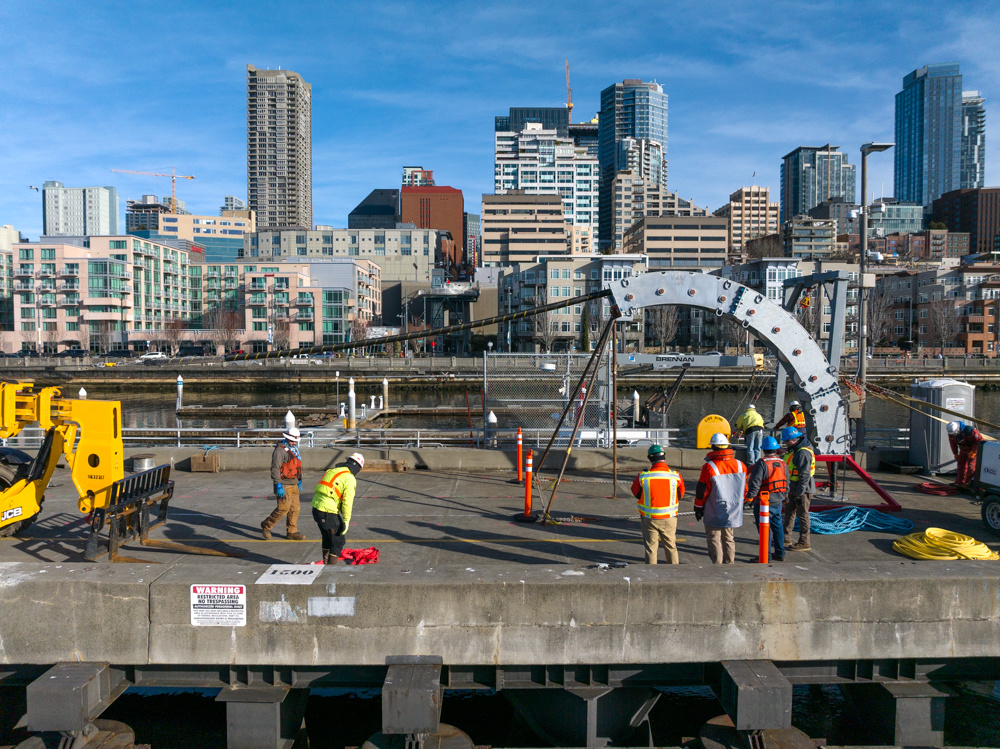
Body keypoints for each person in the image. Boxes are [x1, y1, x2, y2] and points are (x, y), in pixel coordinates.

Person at [694, 433, 747, 564]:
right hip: (732, 510)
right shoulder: (740, 465)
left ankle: (717, 566)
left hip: (714, 510)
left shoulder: (709, 467)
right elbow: (744, 489)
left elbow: (702, 491)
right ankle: (730, 564)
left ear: (713, 447)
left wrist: (698, 507)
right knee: (729, 537)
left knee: (714, 538)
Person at [630, 444, 685, 564]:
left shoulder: (643, 476)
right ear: (664, 457)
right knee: (671, 547)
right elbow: (680, 494)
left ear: (650, 459)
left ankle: (651, 575)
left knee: (651, 549)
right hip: (669, 518)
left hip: (649, 519)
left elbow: (636, 492)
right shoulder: (675, 475)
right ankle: (675, 572)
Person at [312, 452, 365, 565]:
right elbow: (347, 502)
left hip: (317, 508)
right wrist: (346, 520)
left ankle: (326, 564)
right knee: (338, 541)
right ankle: (330, 569)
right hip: (327, 510)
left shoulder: (333, 470)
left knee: (327, 537)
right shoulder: (350, 478)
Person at [745, 435, 789, 561]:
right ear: (776, 449)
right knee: (778, 526)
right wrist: (785, 496)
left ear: (764, 449)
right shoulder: (782, 463)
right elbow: (787, 481)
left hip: (764, 502)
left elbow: (755, 483)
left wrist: (749, 498)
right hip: (778, 500)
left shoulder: (762, 463)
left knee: (764, 528)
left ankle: (766, 555)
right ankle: (780, 553)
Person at [261, 426, 306, 541]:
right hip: (284, 485)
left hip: (294, 483)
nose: (293, 443)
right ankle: (267, 525)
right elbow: (275, 468)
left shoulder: (294, 449)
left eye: (295, 441)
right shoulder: (280, 451)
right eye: (292, 440)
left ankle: (292, 532)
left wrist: (299, 481)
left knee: (295, 508)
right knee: (283, 509)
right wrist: (278, 485)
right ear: (287, 438)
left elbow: (297, 466)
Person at [781, 427, 815, 551]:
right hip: (793, 487)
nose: (785, 443)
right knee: (789, 512)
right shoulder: (796, 449)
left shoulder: (803, 453)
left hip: (802, 490)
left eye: (786, 441)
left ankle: (804, 542)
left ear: (792, 440)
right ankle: (785, 537)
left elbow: (804, 475)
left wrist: (800, 494)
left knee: (802, 515)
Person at [948, 421, 984, 488]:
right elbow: (952, 443)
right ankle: (960, 482)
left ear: (958, 429)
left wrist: (974, 452)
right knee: (961, 465)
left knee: (971, 467)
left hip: (973, 447)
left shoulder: (970, 430)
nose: (954, 435)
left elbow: (980, 440)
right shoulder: (951, 434)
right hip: (963, 448)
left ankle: (969, 483)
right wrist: (955, 453)